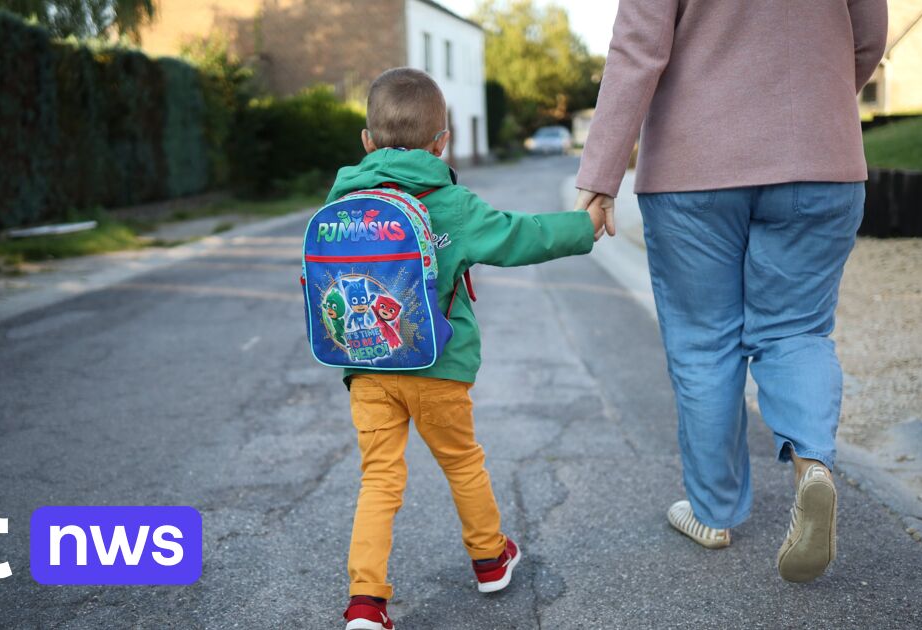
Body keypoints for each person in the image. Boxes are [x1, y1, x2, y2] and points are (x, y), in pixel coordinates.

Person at [575, 0, 888, 583]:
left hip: (694, 169)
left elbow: (638, 50)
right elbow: (868, 38)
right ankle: (812, 465)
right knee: (797, 330)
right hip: (821, 162)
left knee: (704, 343)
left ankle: (712, 512)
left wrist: (600, 177)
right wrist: (814, 110)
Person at [331, 68, 605, 630]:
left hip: (366, 366)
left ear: (365, 142)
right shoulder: (450, 203)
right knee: (461, 462)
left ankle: (365, 602)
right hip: (438, 364)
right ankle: (488, 558)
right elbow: (520, 234)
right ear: (443, 141)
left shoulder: (344, 200)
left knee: (379, 479)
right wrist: (584, 225)